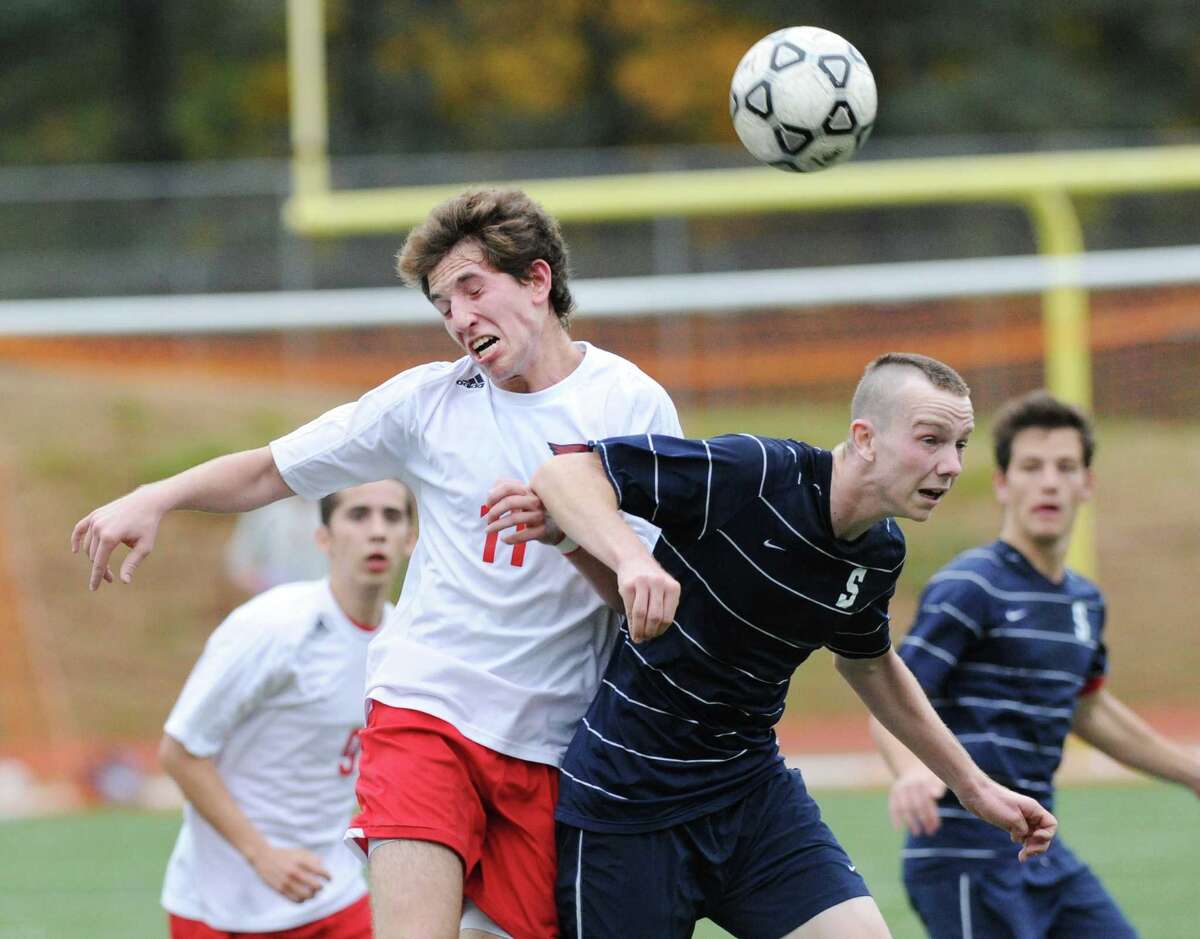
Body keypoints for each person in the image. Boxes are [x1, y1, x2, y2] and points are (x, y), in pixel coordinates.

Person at [72, 187, 682, 939]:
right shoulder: (428, 402)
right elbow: (272, 468)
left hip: (549, 742)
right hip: (424, 715)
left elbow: (639, 600)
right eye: (442, 304)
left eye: (471, 288)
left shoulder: (633, 406)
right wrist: (158, 495)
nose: (458, 319)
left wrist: (563, 532)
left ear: (536, 281)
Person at [516, 353, 1057, 939]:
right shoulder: (758, 473)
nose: (950, 466)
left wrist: (974, 788)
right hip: (628, 802)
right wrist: (631, 562)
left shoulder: (879, 552)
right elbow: (564, 475)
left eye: (960, 445)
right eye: (931, 440)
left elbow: (870, 664)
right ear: (865, 438)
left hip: (751, 795)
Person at [868, 390, 1200, 939]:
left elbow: (1088, 710)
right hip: (963, 854)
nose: (1049, 481)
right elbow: (891, 696)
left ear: (1086, 485)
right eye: (1031, 466)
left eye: (1065, 467)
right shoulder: (969, 586)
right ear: (1003, 483)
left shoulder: (1084, 602)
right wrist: (910, 775)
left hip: (1039, 847)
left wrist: (1191, 772)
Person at [161, 479, 416, 939]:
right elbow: (180, 751)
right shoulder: (271, 628)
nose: (376, 531)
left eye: (392, 517)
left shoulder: (406, 643)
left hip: (334, 894)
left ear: (410, 538)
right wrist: (262, 854)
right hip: (222, 905)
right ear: (323, 537)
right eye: (358, 516)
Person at [224, 496, 330, 594]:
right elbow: (240, 561)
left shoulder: (333, 505)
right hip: (272, 600)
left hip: (320, 598)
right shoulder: (264, 507)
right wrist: (264, 584)